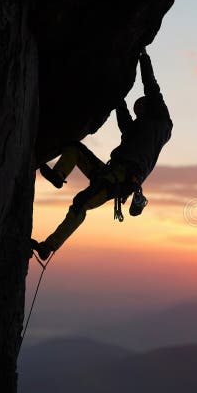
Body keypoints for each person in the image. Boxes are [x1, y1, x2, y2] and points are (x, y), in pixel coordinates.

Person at [31, 49, 172, 260]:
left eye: (140, 108)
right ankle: (59, 175)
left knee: (81, 203)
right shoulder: (139, 129)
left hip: (122, 178)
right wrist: (119, 100)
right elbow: (125, 123)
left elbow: (151, 86)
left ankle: (49, 246)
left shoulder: (160, 120)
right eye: (136, 110)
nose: (137, 112)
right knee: (74, 148)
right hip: (110, 171)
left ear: (148, 106)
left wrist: (143, 57)